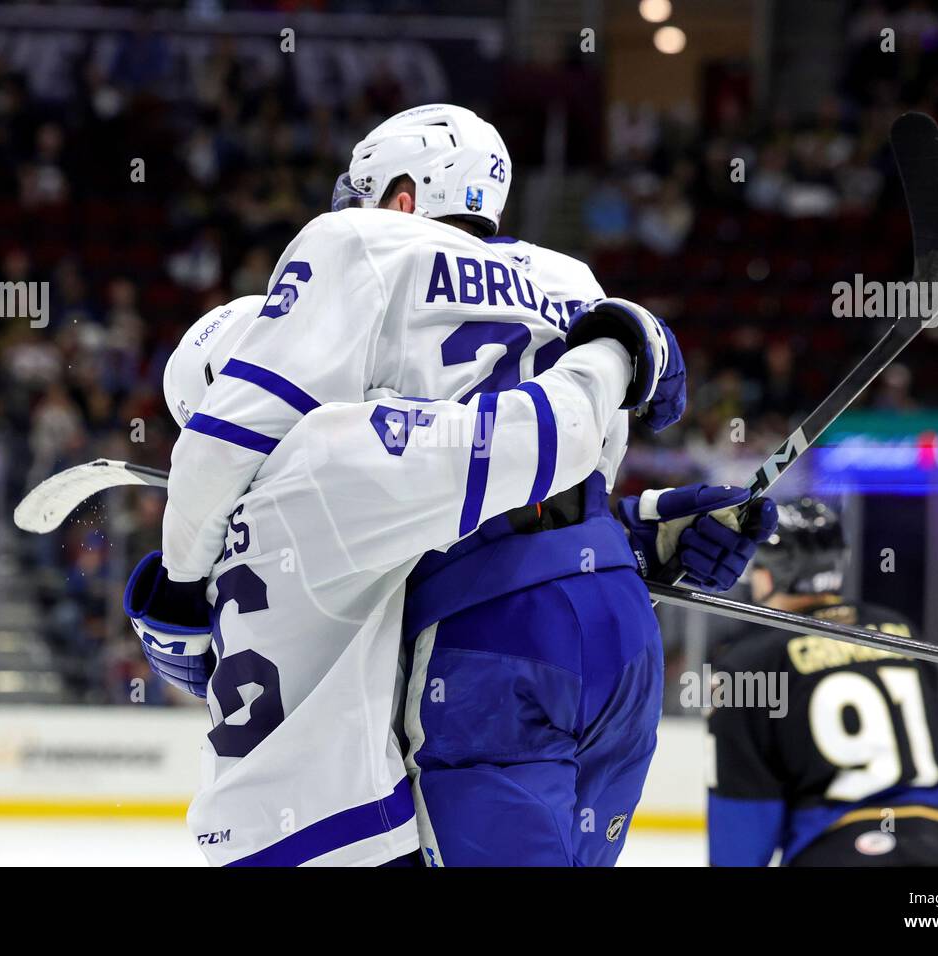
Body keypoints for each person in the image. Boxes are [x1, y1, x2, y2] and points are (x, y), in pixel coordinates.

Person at [148, 103, 773, 864]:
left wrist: (181, 590)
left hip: (481, 634)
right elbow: (563, 481)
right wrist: (640, 529)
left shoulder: (357, 244)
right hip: (614, 622)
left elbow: (227, 443)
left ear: (404, 196)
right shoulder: (576, 280)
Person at [128, 289, 672, 865]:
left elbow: (194, 663)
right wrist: (622, 346)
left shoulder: (214, 542)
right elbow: (523, 444)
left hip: (248, 830)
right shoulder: (330, 460)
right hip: (349, 830)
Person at [706, 498, 938, 867]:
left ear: (775, 570)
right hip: (935, 846)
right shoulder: (899, 632)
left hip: (832, 852)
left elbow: (743, 811)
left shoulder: (749, 663)